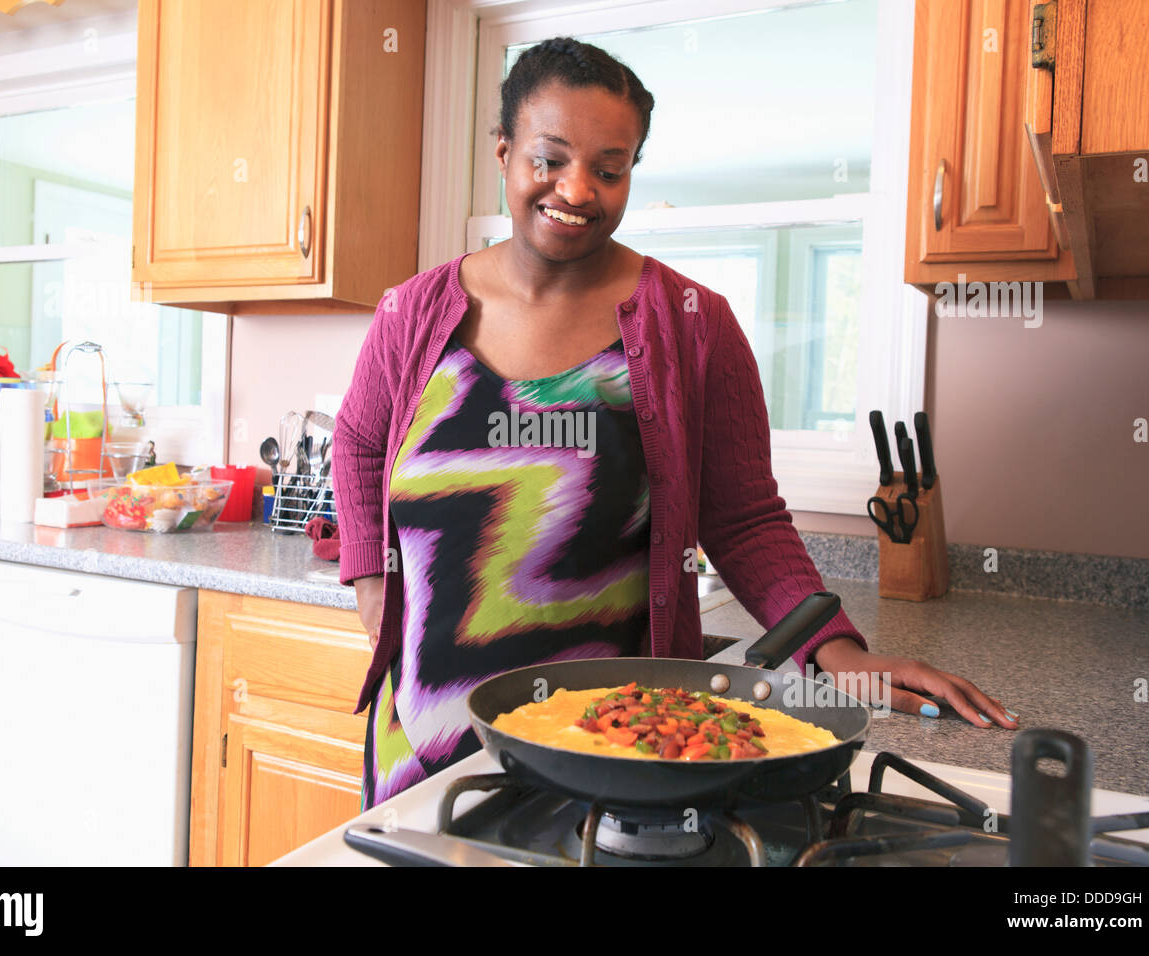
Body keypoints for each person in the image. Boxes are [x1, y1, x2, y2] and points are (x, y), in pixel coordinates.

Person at [334, 36, 1017, 811]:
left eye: (610, 168)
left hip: (617, 752)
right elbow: (358, 441)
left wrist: (840, 654)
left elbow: (745, 519)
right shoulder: (412, 313)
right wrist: (369, 583)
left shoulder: (693, 324)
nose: (577, 189)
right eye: (549, 159)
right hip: (420, 737)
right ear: (503, 151)